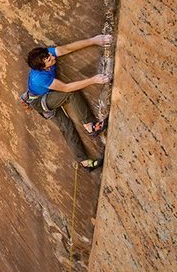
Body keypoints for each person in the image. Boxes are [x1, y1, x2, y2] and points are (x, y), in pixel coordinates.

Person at [22, 34, 112, 171]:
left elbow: (67, 49)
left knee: (67, 127)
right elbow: (66, 88)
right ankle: (89, 129)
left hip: (47, 94)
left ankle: (85, 155)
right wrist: (93, 80)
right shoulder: (40, 78)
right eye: (48, 59)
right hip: (40, 102)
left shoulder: (47, 55)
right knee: (70, 101)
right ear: (42, 67)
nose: (52, 57)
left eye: (49, 55)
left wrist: (93, 40)